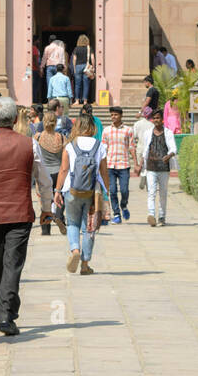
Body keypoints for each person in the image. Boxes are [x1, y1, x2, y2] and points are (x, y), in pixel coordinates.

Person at [0, 96, 54, 336]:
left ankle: (4, 313)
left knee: (2, 264)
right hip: (19, 213)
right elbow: (44, 179)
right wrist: (47, 207)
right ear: (15, 119)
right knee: (8, 265)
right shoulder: (29, 144)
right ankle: (5, 311)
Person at [54, 108, 109, 275]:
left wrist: (57, 191)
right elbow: (104, 172)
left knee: (72, 223)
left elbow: (63, 170)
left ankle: (75, 250)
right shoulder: (100, 146)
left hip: (72, 190)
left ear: (77, 127)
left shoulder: (70, 145)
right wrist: (106, 194)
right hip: (92, 193)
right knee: (89, 228)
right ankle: (85, 265)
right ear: (92, 128)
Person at [138, 107, 177, 227]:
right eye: (154, 118)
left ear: (162, 119)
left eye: (158, 118)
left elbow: (173, 148)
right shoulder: (148, 133)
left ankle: (162, 216)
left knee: (163, 193)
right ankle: (151, 215)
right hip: (151, 166)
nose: (156, 120)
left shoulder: (168, 133)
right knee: (151, 192)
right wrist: (141, 163)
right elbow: (146, 150)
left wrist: (169, 155)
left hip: (163, 168)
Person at [101, 107, 138, 223]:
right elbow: (103, 148)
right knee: (112, 191)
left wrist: (136, 163)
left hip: (124, 164)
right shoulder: (106, 130)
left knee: (124, 190)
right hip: (110, 165)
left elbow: (132, 147)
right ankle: (116, 214)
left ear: (121, 116)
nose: (113, 117)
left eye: (116, 115)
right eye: (112, 115)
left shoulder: (128, 130)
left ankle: (124, 206)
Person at [35, 108, 67, 236]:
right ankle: (59, 215)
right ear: (55, 122)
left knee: (45, 201)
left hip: (44, 172)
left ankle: (45, 229)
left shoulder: (38, 137)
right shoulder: (61, 137)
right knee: (60, 197)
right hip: (59, 172)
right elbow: (66, 156)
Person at [70, 34, 94, 105]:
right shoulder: (89, 48)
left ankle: (77, 100)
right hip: (86, 66)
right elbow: (92, 58)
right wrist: (93, 67)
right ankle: (85, 101)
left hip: (78, 66)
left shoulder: (76, 49)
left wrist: (74, 68)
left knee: (77, 84)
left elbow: (74, 59)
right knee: (86, 84)